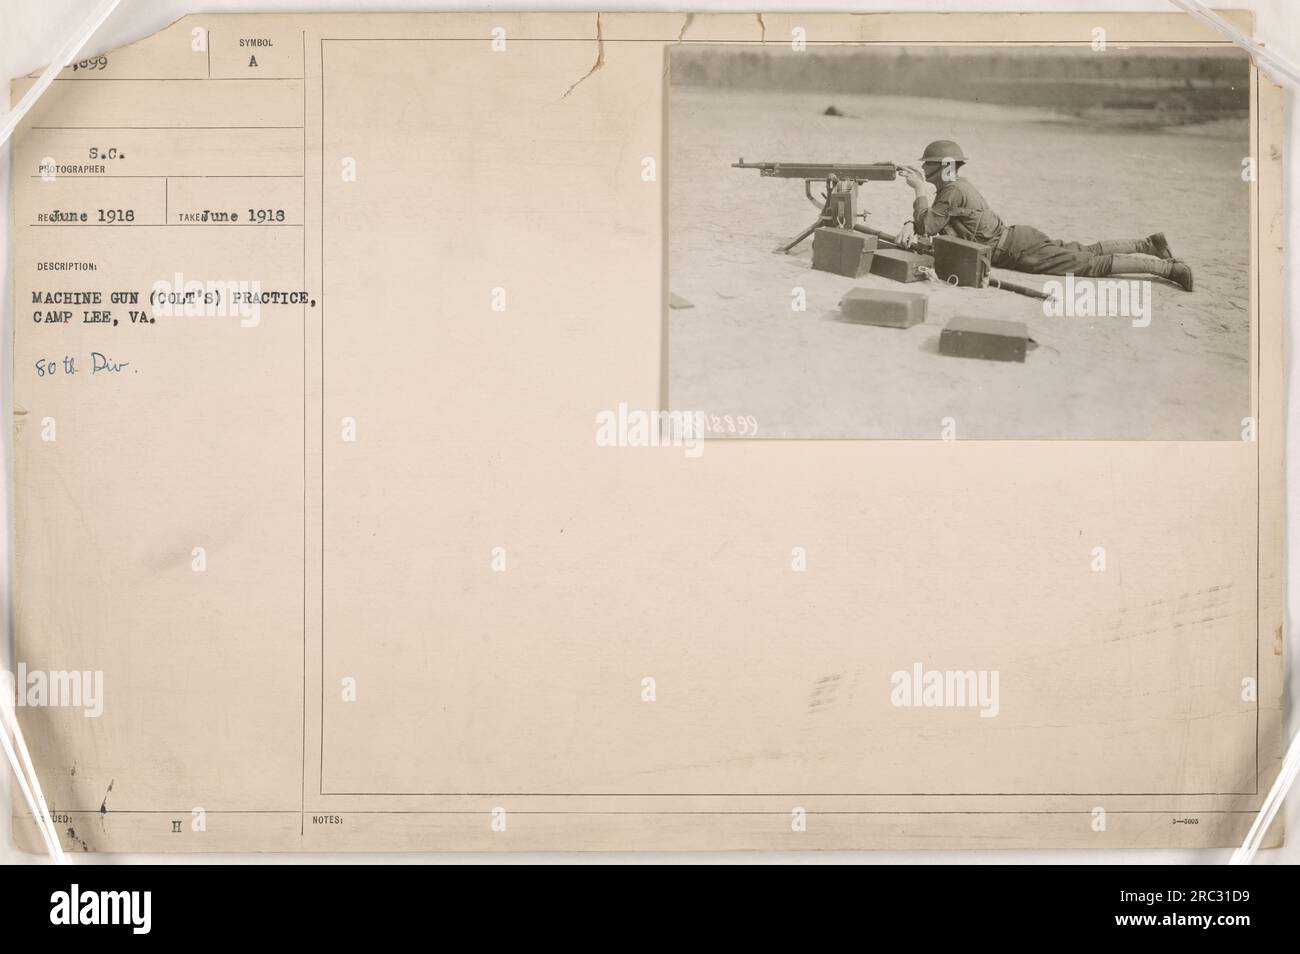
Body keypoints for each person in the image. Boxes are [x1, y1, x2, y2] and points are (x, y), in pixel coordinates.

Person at [899, 140, 1193, 291]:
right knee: (1085, 252)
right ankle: (1148, 245)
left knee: (1092, 265)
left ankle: (1169, 269)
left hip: (1017, 249)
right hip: (1018, 239)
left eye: (928, 166)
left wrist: (917, 191)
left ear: (945, 167)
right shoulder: (954, 188)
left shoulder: (951, 192)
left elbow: (927, 225)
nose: (923, 170)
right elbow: (934, 227)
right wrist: (912, 220)